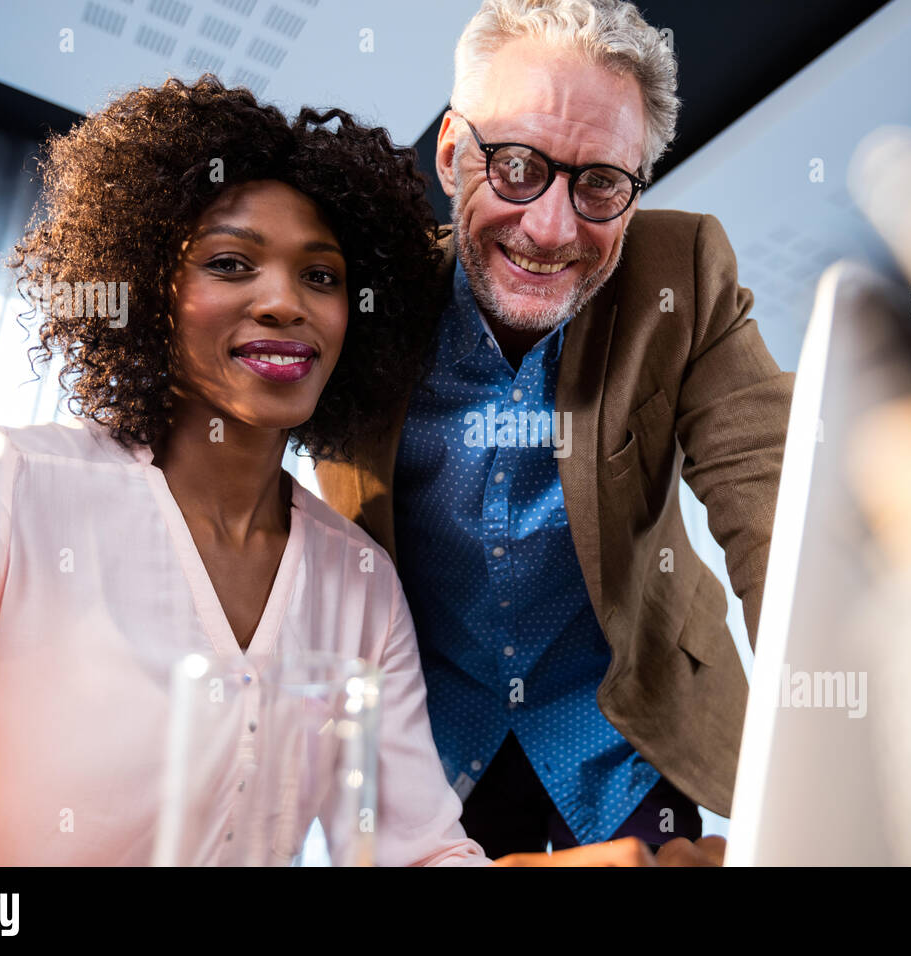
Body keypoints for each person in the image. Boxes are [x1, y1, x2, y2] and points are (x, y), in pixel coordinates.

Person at [0, 75, 657, 866]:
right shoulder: (6, 492)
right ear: (153, 290)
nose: (285, 302)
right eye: (231, 263)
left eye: (322, 276)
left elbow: (412, 853)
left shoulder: (360, 586)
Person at [316, 0, 792, 859]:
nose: (552, 229)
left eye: (601, 184)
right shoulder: (365, 301)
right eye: (518, 166)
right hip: (429, 740)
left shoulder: (679, 276)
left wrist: (830, 744)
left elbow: (779, 504)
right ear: (455, 153)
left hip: (625, 732)